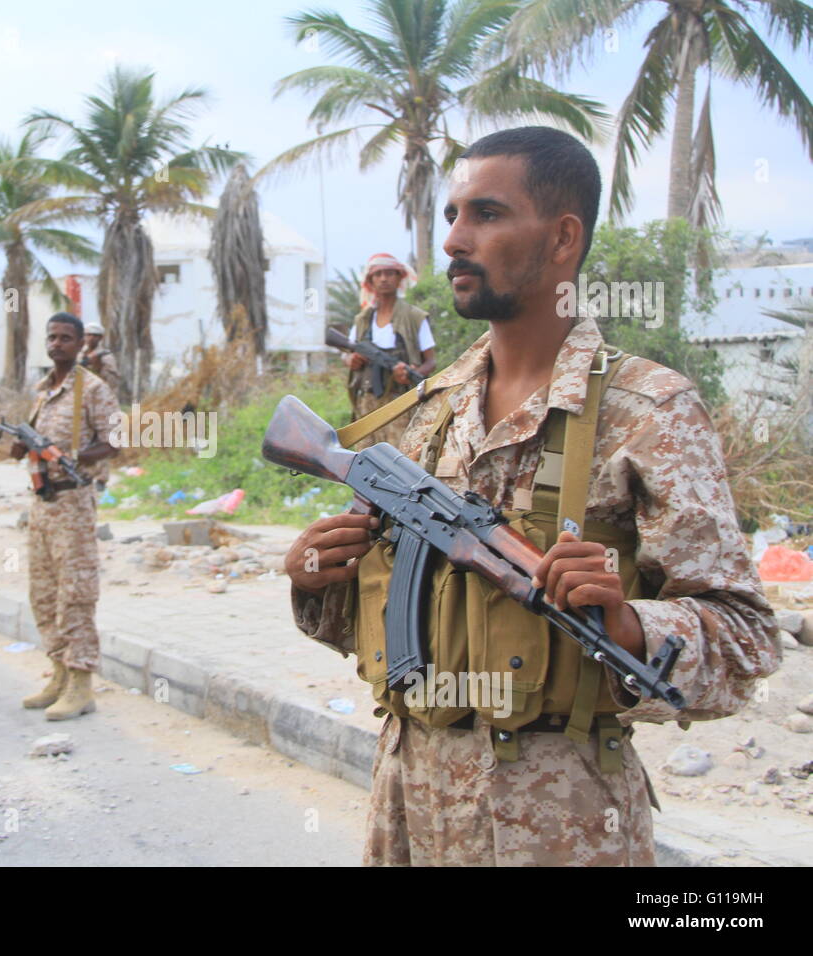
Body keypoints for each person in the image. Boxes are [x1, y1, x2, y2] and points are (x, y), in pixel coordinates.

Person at [284, 126, 780, 866]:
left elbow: (745, 640)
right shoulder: (430, 408)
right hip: (408, 801)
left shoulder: (649, 410)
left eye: (486, 214)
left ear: (562, 238)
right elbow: (381, 626)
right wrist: (318, 578)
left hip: (558, 820)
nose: (454, 240)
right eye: (452, 215)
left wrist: (632, 625)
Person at [11, 313, 119, 720]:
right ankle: (57, 673)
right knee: (43, 592)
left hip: (73, 502)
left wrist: (72, 456)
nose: (57, 344)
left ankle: (80, 683)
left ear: (79, 344)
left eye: (65, 338)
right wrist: (24, 448)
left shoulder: (92, 389)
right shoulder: (43, 390)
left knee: (76, 592)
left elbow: (114, 442)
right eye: (52, 337)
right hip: (42, 503)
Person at [345, 253, 436, 449]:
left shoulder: (414, 317)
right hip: (366, 403)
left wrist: (411, 373)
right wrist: (351, 360)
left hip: (400, 403)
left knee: (400, 457)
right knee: (365, 458)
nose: (384, 278)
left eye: (389, 273)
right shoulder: (363, 320)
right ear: (370, 281)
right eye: (378, 274)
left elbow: (430, 361)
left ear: (399, 277)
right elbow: (347, 353)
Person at [78, 322, 121, 396]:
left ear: (101, 338)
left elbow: (113, 382)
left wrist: (98, 367)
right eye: (88, 335)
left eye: (95, 335)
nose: (91, 338)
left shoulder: (107, 356)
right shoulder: (78, 354)